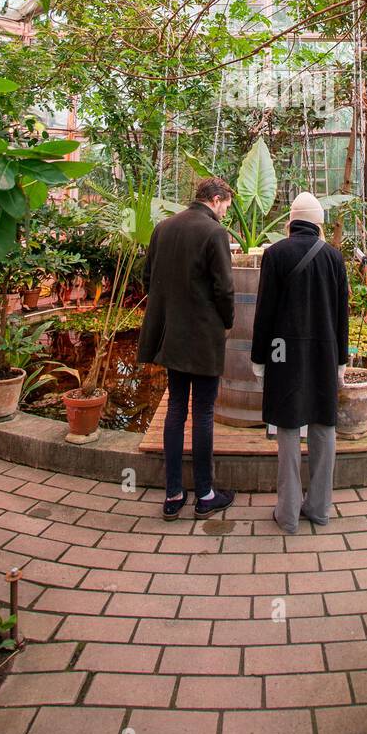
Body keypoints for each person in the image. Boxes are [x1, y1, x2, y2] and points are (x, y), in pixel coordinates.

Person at [249, 192, 349, 535]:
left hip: (283, 352)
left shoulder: (274, 254)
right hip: (324, 352)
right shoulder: (334, 258)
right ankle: (320, 509)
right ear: (318, 223)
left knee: (288, 429)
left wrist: (259, 359)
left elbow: (264, 313)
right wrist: (341, 361)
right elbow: (341, 315)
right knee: (324, 426)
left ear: (290, 222)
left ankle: (288, 513)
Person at [139, 176, 237, 521]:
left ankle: (173, 494)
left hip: (172, 336)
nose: (226, 212)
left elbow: (147, 277)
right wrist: (226, 321)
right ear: (215, 198)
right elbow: (224, 289)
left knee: (176, 408)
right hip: (203, 337)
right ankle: (206, 494)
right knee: (204, 413)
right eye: (226, 204)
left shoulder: (163, 227)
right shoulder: (214, 233)